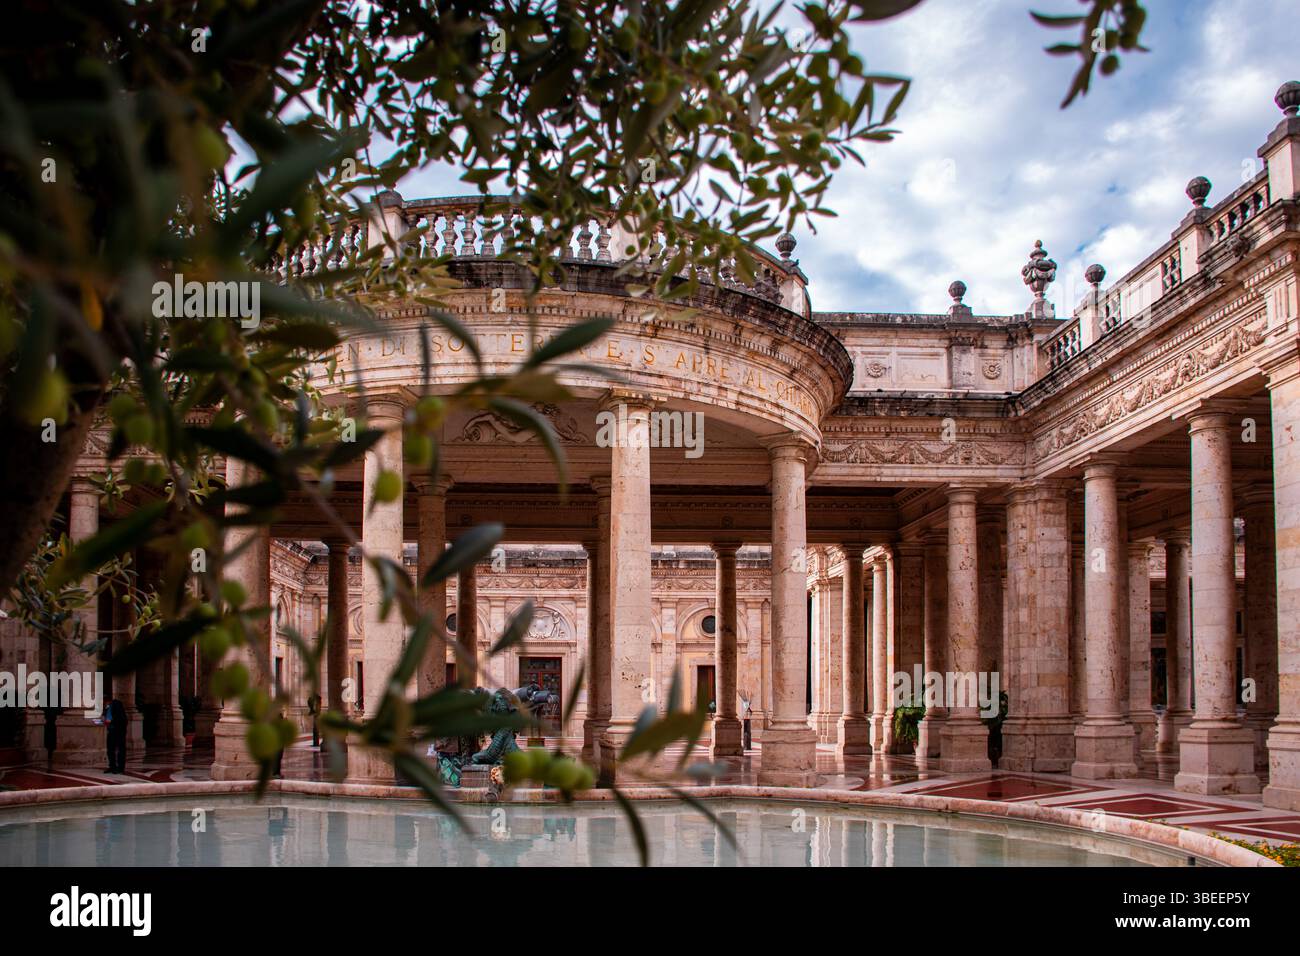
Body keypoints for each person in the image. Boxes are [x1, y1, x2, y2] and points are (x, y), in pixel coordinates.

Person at [104, 696, 127, 773]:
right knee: (110, 750)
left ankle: (120, 768)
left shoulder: (116, 704)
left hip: (119, 731)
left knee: (120, 750)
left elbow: (120, 719)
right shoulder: (107, 707)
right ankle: (112, 766)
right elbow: (107, 719)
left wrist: (110, 722)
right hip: (111, 731)